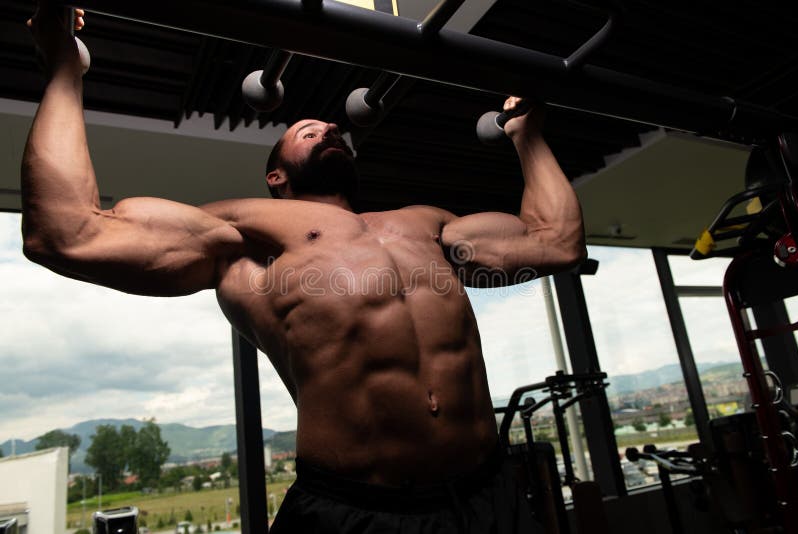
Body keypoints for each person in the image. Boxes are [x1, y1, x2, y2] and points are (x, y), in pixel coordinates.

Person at [22, 3, 585, 533]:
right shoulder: (244, 236)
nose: (329, 130)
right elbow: (67, 232)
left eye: (333, 130)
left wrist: (526, 136)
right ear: (276, 177)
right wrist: (65, 69)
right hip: (355, 511)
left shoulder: (425, 223)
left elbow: (556, 242)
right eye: (307, 131)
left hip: (489, 499)